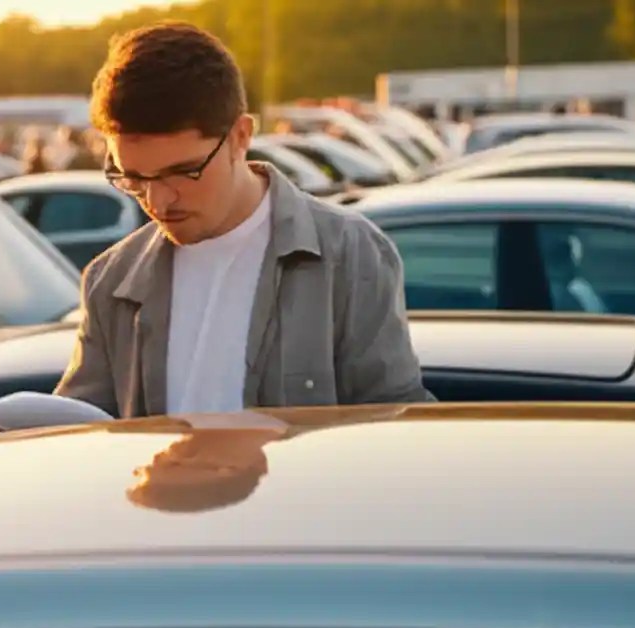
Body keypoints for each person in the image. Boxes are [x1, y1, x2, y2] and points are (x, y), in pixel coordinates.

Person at [54, 23, 434, 418]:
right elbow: (78, 431)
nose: (157, 200)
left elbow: (394, 430)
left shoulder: (350, 255)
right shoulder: (110, 281)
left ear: (241, 136)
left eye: (184, 171)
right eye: (133, 178)